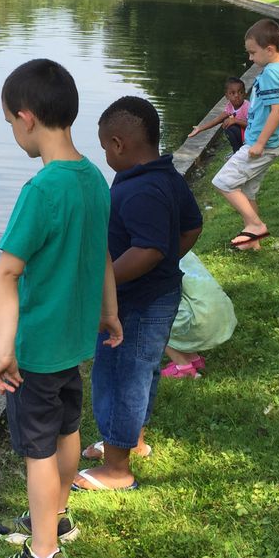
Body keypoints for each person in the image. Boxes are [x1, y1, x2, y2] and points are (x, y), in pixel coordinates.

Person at [0, 58, 123, 558]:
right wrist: (109, 313)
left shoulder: (42, 190)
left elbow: (5, 274)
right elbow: (102, 255)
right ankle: (56, 517)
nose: (13, 133)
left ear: (26, 118)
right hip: (73, 341)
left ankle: (45, 557)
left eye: (9, 123)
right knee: (67, 429)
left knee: (38, 450)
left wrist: (5, 350)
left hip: (38, 349)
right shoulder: (94, 178)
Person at [75, 96, 202, 491]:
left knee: (120, 377)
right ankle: (132, 441)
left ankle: (116, 470)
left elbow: (147, 249)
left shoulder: (141, 189)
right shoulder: (165, 175)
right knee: (140, 372)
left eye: (104, 147)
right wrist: (166, 259)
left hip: (133, 302)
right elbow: (191, 227)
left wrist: (103, 283)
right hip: (158, 294)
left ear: (118, 143)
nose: (105, 155)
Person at [212, 20, 279, 251]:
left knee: (223, 182)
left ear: (269, 50)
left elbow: (277, 111)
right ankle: (253, 241)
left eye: (252, 52)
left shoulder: (271, 75)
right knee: (248, 192)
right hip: (268, 143)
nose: (250, 58)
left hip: (262, 144)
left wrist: (259, 143)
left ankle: (256, 226)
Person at [159, 251, 237, 379]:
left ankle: (183, 366)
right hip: (222, 314)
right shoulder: (183, 248)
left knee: (148, 317)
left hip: (201, 319)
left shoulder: (152, 254)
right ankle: (192, 358)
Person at [187, 76, 250, 153]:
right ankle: (237, 151)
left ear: (245, 94)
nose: (236, 95)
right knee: (227, 124)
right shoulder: (230, 106)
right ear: (227, 96)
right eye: (232, 93)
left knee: (231, 125)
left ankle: (238, 151)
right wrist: (200, 128)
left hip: (250, 135)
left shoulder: (247, 107)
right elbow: (217, 120)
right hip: (242, 135)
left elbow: (253, 126)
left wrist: (235, 121)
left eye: (240, 92)